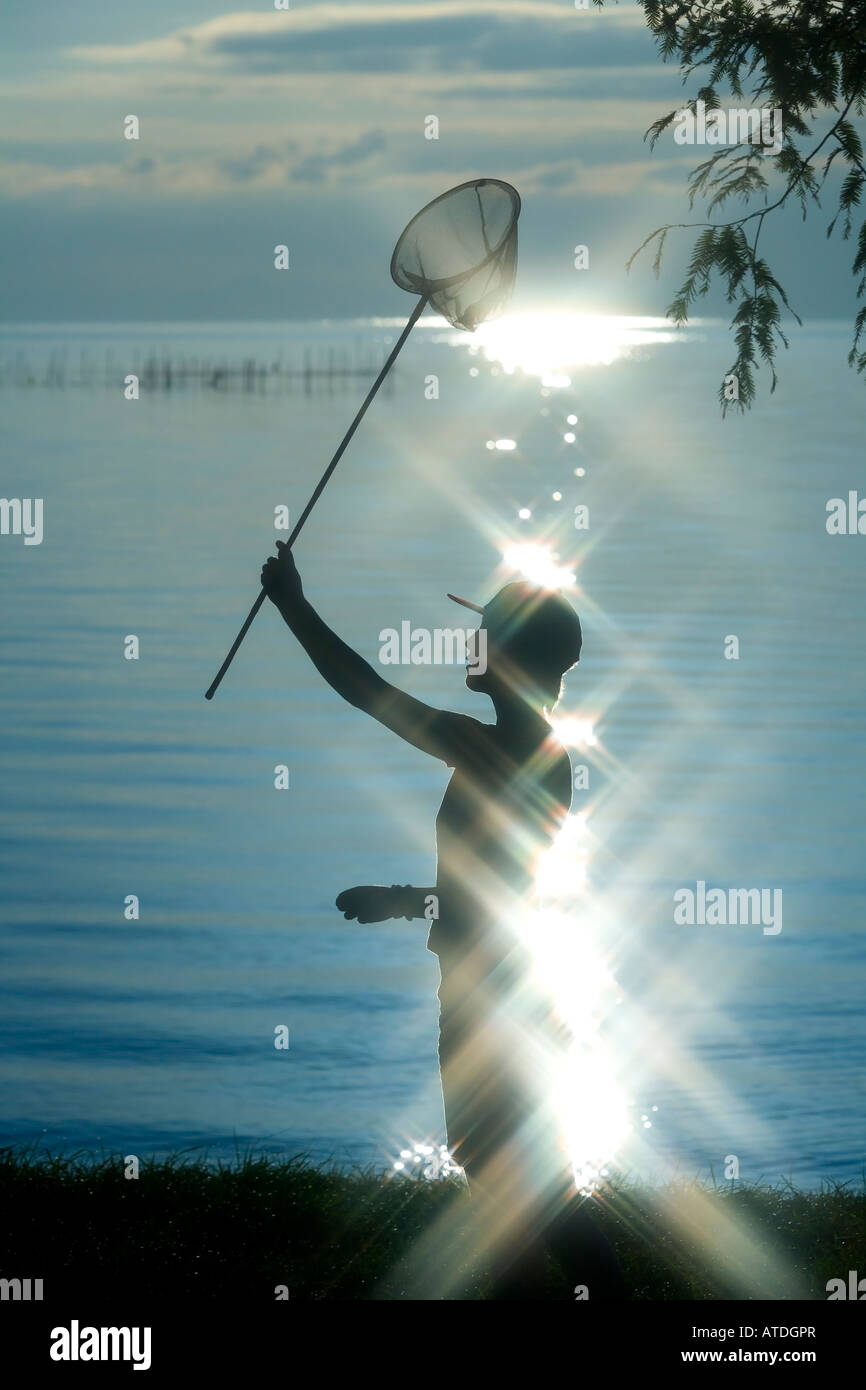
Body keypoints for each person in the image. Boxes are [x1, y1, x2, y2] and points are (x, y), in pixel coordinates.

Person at [261, 540, 625, 1299]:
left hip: (492, 996)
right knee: (508, 1182)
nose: (471, 643)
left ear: (517, 659)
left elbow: (370, 695)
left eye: (487, 634)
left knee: (518, 1183)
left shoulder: (507, 752)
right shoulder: (525, 748)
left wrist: (294, 604)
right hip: (497, 987)